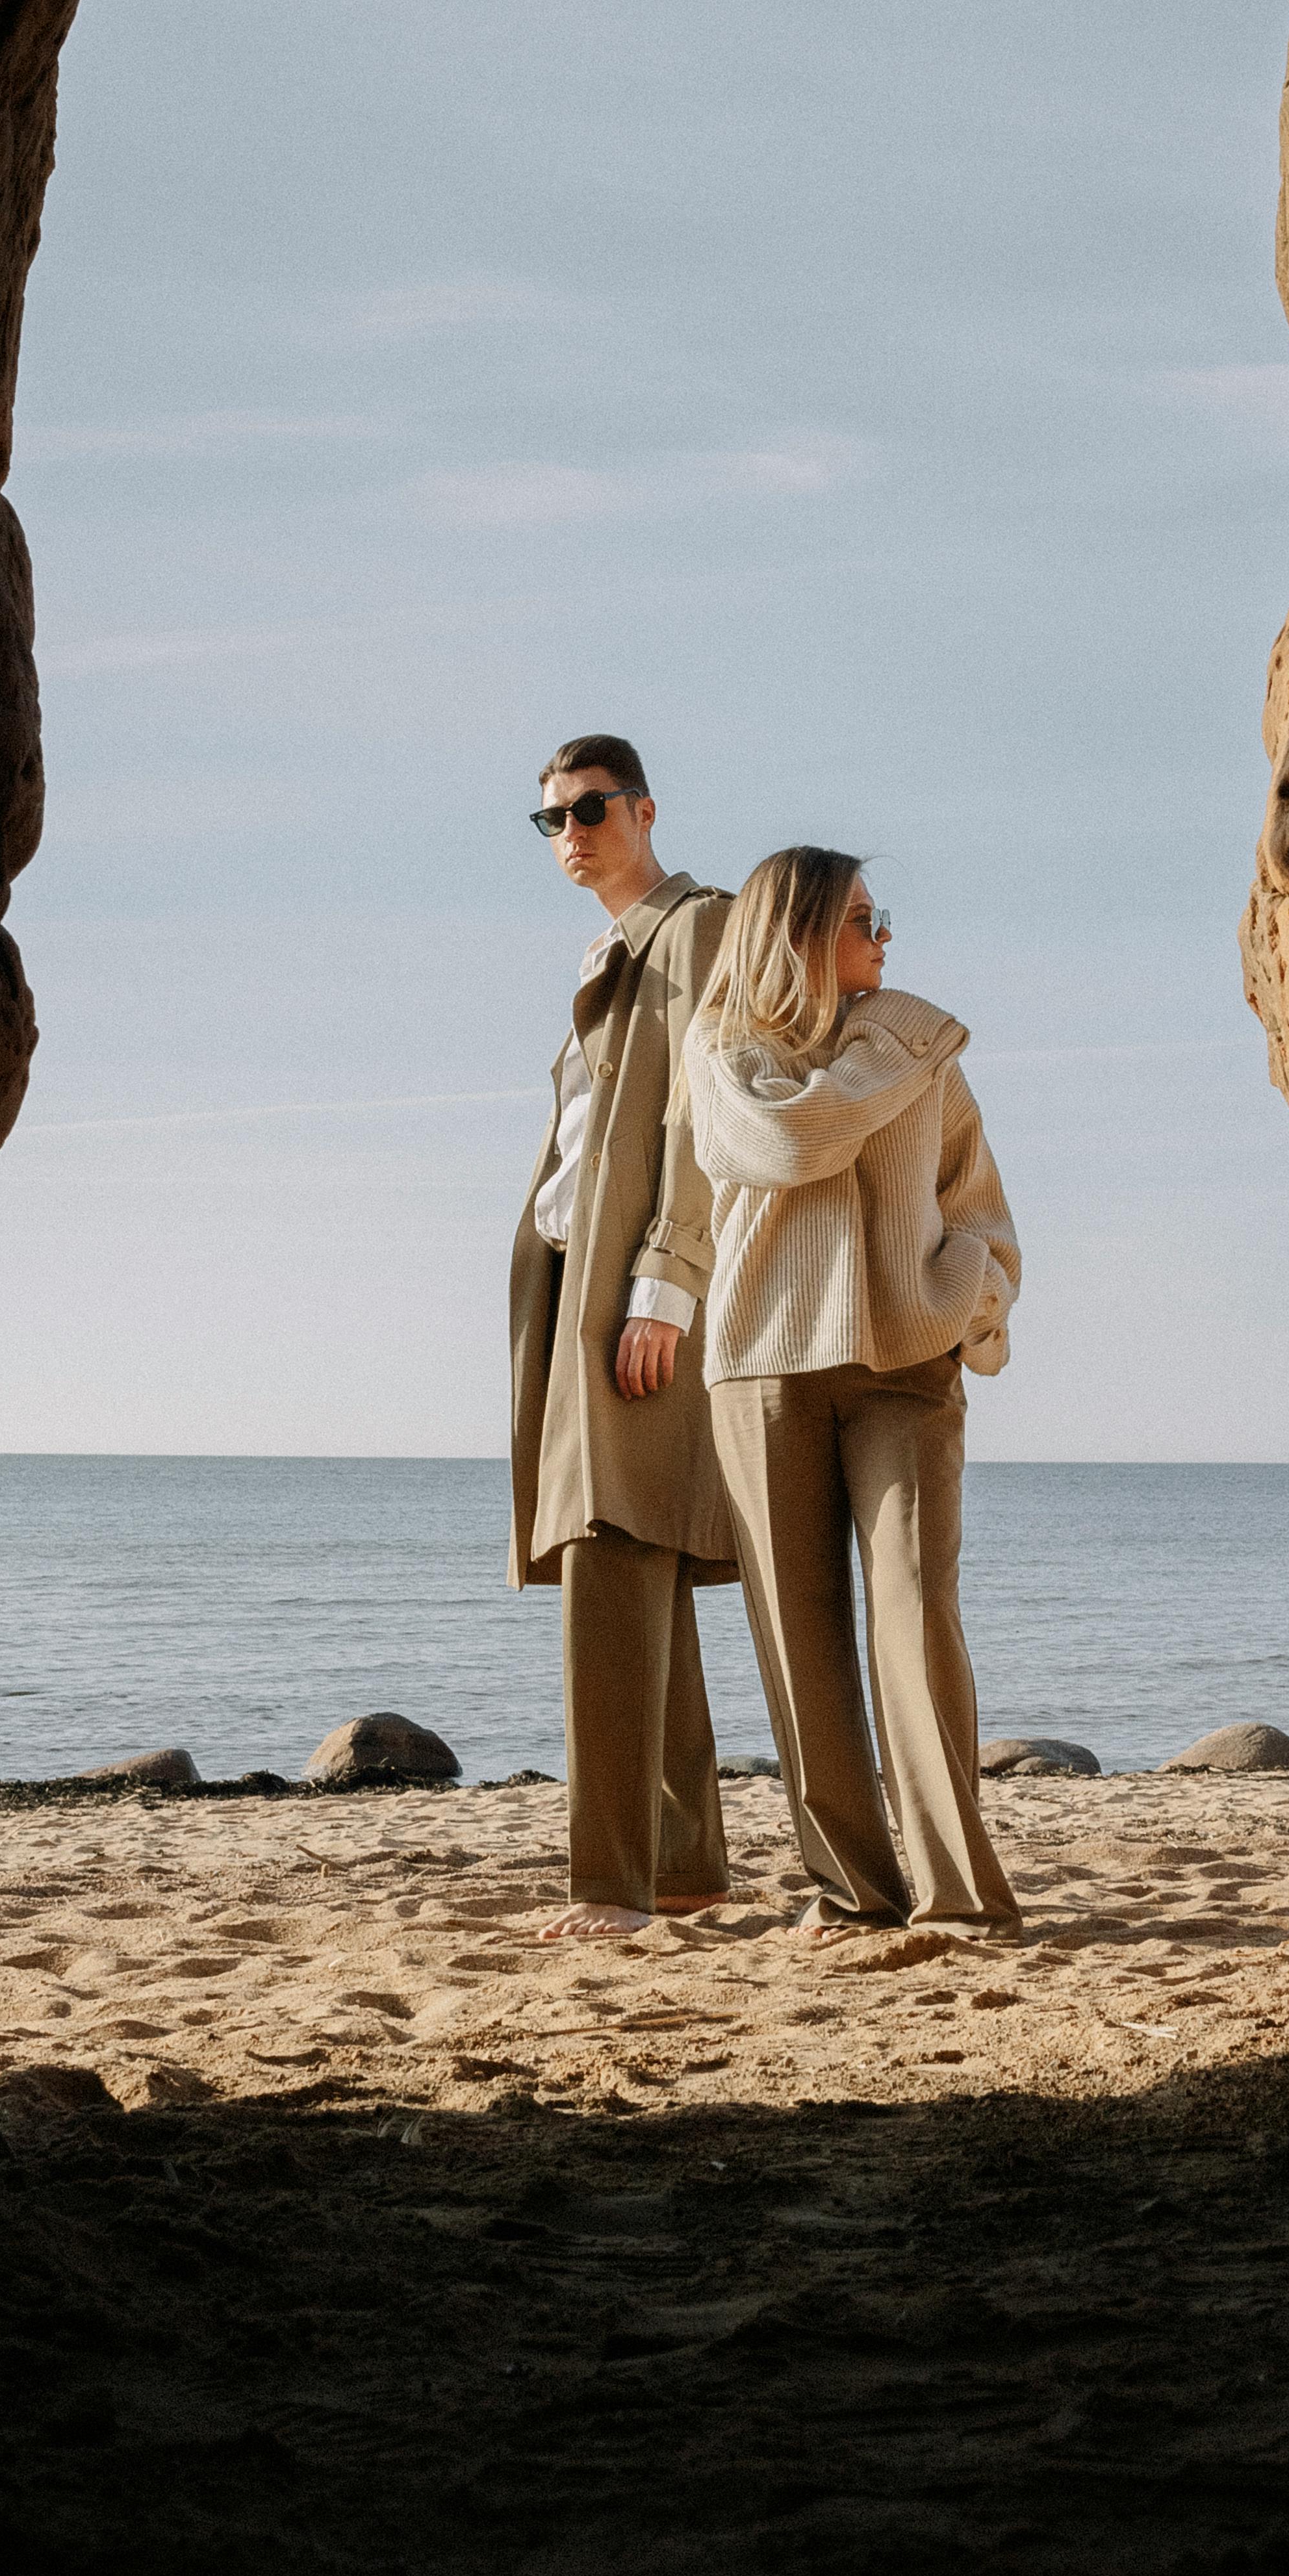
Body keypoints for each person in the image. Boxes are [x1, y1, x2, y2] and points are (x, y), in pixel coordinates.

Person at [684, 847, 1020, 1938]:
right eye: (865, 918)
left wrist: (967, 1292)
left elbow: (980, 1207)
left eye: (887, 917)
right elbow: (790, 1141)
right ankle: (854, 1892)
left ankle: (959, 1897)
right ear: (799, 932)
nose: (886, 937)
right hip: (765, 1361)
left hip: (907, 1366)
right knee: (799, 1634)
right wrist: (895, 1053)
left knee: (918, 1611)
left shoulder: (925, 1049)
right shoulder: (728, 1046)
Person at [509, 736, 737, 1939]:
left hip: (632, 1286)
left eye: (590, 810)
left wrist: (666, 1280)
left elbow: (707, 1111)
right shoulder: (610, 947)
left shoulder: (696, 926)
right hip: (570, 1278)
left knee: (610, 1548)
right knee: (640, 1558)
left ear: (645, 808)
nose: (571, 834)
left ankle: (610, 1884)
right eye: (549, 820)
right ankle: (687, 1866)